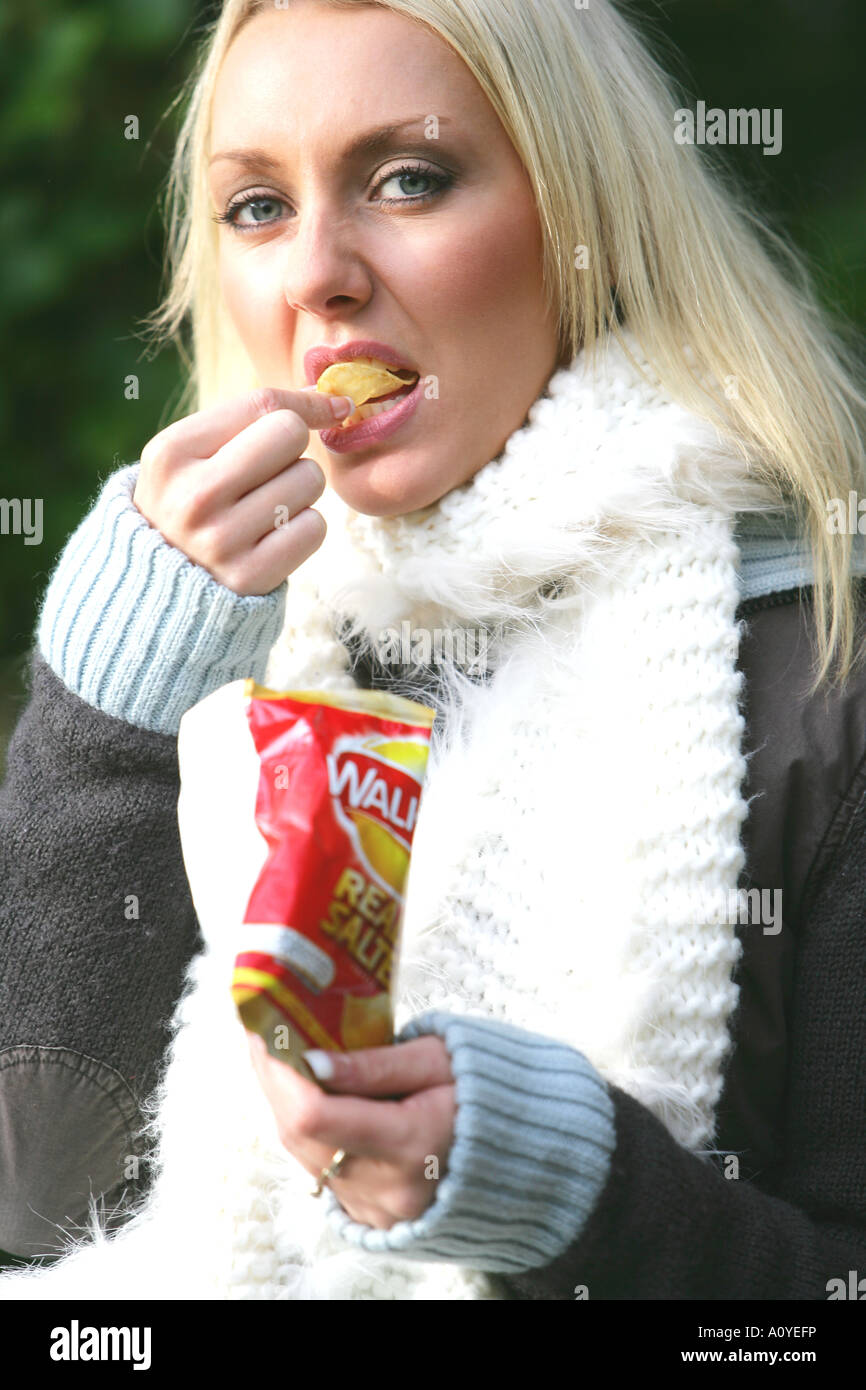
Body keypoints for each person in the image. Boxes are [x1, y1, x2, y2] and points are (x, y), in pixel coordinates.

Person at [2, 0, 866, 1299]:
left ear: (589, 220)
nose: (317, 275)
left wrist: (563, 1185)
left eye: (408, 179)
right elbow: (40, 1187)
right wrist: (114, 710)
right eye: (257, 207)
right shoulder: (224, 653)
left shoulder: (821, 682)